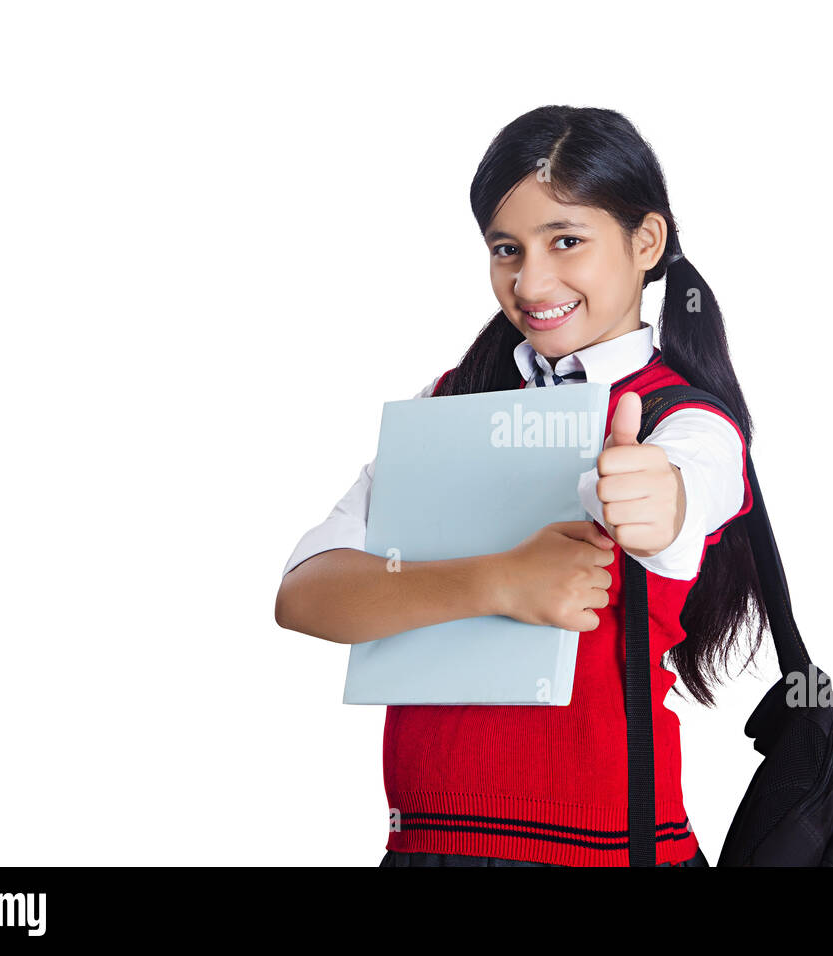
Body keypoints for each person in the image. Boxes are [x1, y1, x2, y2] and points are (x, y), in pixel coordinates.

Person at [275, 105, 767, 867]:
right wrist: (499, 582)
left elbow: (690, 489)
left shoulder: (686, 420)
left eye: (566, 240)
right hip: (431, 845)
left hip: (608, 850)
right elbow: (306, 594)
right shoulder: (448, 403)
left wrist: (655, 496)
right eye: (507, 249)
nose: (531, 281)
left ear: (647, 241)